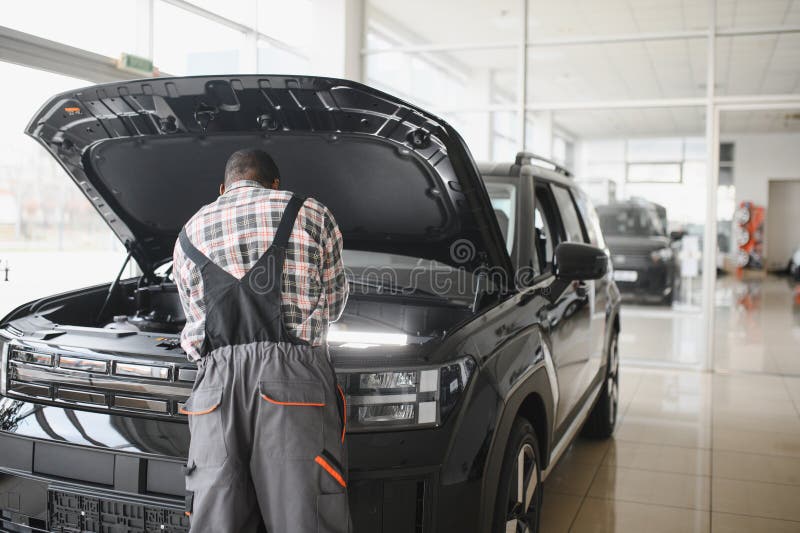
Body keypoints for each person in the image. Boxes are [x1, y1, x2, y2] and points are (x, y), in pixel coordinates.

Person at [173, 148, 350, 532]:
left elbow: (193, 322)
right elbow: (334, 304)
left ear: (223, 188)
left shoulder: (188, 232)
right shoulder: (311, 213)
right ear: (275, 185)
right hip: (292, 385)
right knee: (304, 517)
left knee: (217, 519)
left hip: (213, 392)